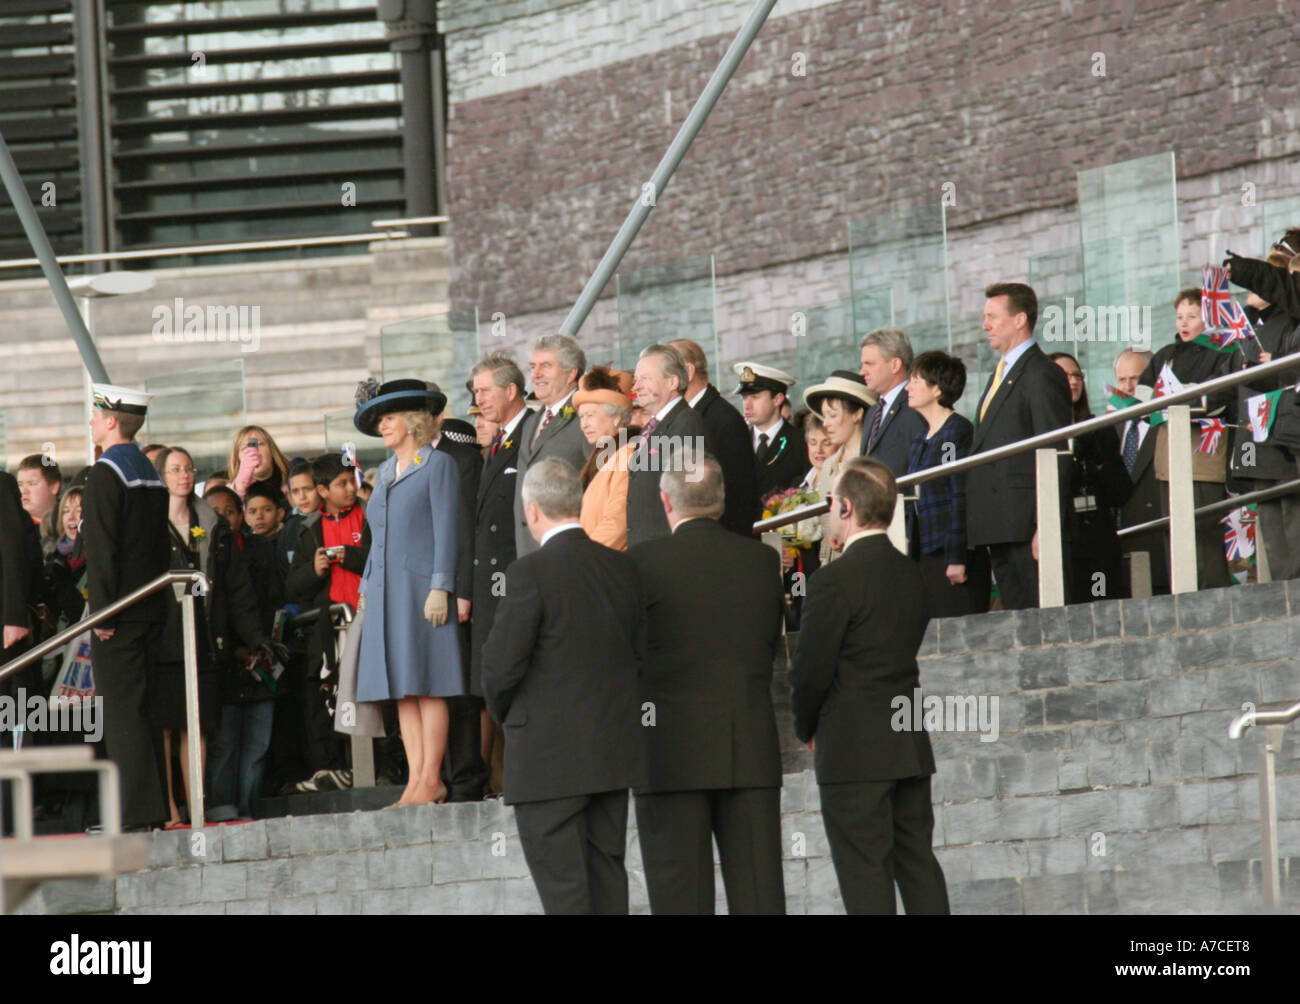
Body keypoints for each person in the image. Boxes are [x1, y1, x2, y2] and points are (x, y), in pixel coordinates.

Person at [481, 458, 646, 915]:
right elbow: (640, 654)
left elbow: (499, 670)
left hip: (546, 762)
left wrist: (514, 720)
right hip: (611, 753)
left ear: (532, 512)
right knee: (608, 878)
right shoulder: (622, 568)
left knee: (564, 891)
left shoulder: (528, 574)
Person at [789, 456, 949, 915]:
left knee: (865, 877)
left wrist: (806, 727)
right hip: (908, 744)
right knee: (918, 863)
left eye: (829, 503)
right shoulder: (912, 575)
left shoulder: (832, 582)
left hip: (852, 752)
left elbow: (809, 671)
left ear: (846, 507)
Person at [628, 457, 786, 914]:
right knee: (760, 898)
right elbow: (768, 648)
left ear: (664, 501)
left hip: (667, 756)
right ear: (722, 500)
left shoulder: (639, 564)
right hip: (748, 750)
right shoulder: (761, 560)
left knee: (680, 900)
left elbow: (629, 657)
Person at [351, 379, 462, 807]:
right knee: (403, 687)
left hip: (421, 590)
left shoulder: (438, 465)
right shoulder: (384, 474)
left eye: (389, 417)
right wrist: (364, 586)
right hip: (385, 592)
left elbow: (449, 529)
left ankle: (431, 778)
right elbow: (375, 538)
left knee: (429, 683)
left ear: (413, 422)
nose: (382, 426)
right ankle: (417, 781)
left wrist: (441, 586)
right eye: (380, 419)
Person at [152, 447, 269, 825]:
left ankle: (198, 803)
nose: (183, 475)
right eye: (174, 469)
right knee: (164, 727)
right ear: (161, 476)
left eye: (188, 469)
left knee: (197, 723)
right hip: (162, 637)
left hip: (202, 636)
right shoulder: (148, 523)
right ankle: (168, 806)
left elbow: (237, 589)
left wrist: (255, 636)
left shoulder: (212, 524)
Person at [81, 383, 170, 830]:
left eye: (96, 415)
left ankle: (134, 815)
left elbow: (102, 549)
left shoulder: (105, 472)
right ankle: (152, 811)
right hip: (152, 607)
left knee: (122, 713)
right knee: (146, 709)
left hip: (120, 613)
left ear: (112, 419)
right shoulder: (148, 471)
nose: (92, 422)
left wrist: (102, 613)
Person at [966, 282, 1073, 610]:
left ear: (1019, 320)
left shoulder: (1041, 374)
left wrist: (1045, 524)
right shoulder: (1001, 372)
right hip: (1001, 525)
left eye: (992, 317)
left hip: (1027, 527)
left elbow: (1055, 450)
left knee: (1040, 619)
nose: (985, 325)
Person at [285, 452, 371, 793]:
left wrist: (346, 556)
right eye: (341, 484)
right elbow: (292, 585)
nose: (350, 489)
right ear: (322, 490)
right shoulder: (310, 531)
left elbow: (379, 562)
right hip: (329, 628)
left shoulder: (368, 518)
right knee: (324, 697)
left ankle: (379, 767)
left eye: (352, 481)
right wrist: (315, 569)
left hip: (367, 623)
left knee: (370, 696)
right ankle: (329, 767)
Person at [1140, 288, 1234, 590]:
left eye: (1192, 316)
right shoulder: (1164, 355)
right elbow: (1141, 401)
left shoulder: (1223, 351)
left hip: (1204, 460)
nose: (1184, 323)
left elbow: (1221, 396)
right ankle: (1181, 594)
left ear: (1208, 318)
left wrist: (1180, 398)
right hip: (1168, 463)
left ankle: (1215, 596)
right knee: (1174, 534)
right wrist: (1156, 407)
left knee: (1204, 533)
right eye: (1180, 316)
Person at [470, 351, 530, 796]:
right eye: (475, 391)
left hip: (517, 581)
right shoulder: (500, 442)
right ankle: (503, 781)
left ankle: (518, 779)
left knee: (519, 680)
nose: (479, 399)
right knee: (496, 684)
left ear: (511, 391)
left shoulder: (530, 433)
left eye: (485, 390)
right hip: (492, 587)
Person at [1226, 240, 1300, 578]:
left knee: (1291, 512)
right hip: (1269, 429)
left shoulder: (1287, 322)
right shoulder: (1260, 327)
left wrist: (1278, 365)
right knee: (1272, 514)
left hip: (1287, 428)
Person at [904, 351, 991, 617]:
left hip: (949, 552)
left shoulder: (955, 432)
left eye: (916, 380)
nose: (908, 387)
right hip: (924, 550)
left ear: (937, 389)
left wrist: (957, 557)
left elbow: (959, 493)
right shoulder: (921, 438)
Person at [430, 405, 484, 802]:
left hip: (452, 590)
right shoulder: (405, 463)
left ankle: (464, 780)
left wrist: (463, 589)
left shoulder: (462, 457)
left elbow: (465, 527)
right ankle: (432, 777)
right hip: (415, 590)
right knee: (428, 687)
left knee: (459, 687)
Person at [1050, 352, 1131, 602]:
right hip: (1061, 540)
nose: (1073, 382)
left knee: (1103, 608)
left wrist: (1096, 463)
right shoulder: (1040, 433)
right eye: (1064, 376)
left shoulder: (1098, 429)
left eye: (1077, 375)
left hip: (1097, 540)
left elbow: (1121, 491)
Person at [671, 338, 759, 536]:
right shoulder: (689, 416)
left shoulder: (723, 420)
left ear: (688, 371)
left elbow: (738, 497)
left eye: (669, 369)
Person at [514, 334, 590, 558]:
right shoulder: (530, 422)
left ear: (571, 373)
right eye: (533, 367)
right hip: (529, 553)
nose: (535, 375)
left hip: (569, 555)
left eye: (545, 366)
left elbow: (595, 484)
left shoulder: (585, 417)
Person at [627, 343, 709, 547]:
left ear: (672, 381)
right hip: (648, 547)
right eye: (636, 379)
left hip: (669, 547)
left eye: (645, 378)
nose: (636, 386)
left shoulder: (687, 422)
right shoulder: (656, 426)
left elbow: (688, 494)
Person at [803, 370, 875, 566]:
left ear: (857, 414)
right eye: (824, 415)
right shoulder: (828, 465)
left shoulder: (871, 463)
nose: (826, 424)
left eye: (833, 415)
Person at [1112, 349, 1165, 594]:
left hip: (1159, 546)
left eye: (1135, 378)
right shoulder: (1110, 426)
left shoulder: (1166, 421)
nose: (1129, 386)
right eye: (1122, 380)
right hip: (1120, 548)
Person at [574, 366, 637, 550]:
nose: (584, 424)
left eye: (590, 415)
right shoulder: (605, 455)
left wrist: (584, 555)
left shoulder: (628, 453)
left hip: (603, 562)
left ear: (617, 416)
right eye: (581, 417)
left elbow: (618, 521)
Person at [859, 327, 928, 476]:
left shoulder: (917, 406)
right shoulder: (872, 412)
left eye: (869, 364)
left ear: (895, 365)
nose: (862, 371)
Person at [735, 362, 807, 500]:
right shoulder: (737, 443)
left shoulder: (801, 442)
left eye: (755, 397)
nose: (747, 405)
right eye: (744, 398)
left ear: (778, 399)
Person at [226, 424, 291, 502]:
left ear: (271, 450)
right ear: (237, 458)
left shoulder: (292, 477)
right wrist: (239, 487)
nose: (253, 451)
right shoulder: (228, 491)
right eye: (244, 448)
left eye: (260, 444)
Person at [17, 454, 63, 555]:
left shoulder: (70, 523)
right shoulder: (13, 527)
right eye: (20, 484)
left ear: (54, 487)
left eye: (32, 483)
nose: (24, 491)